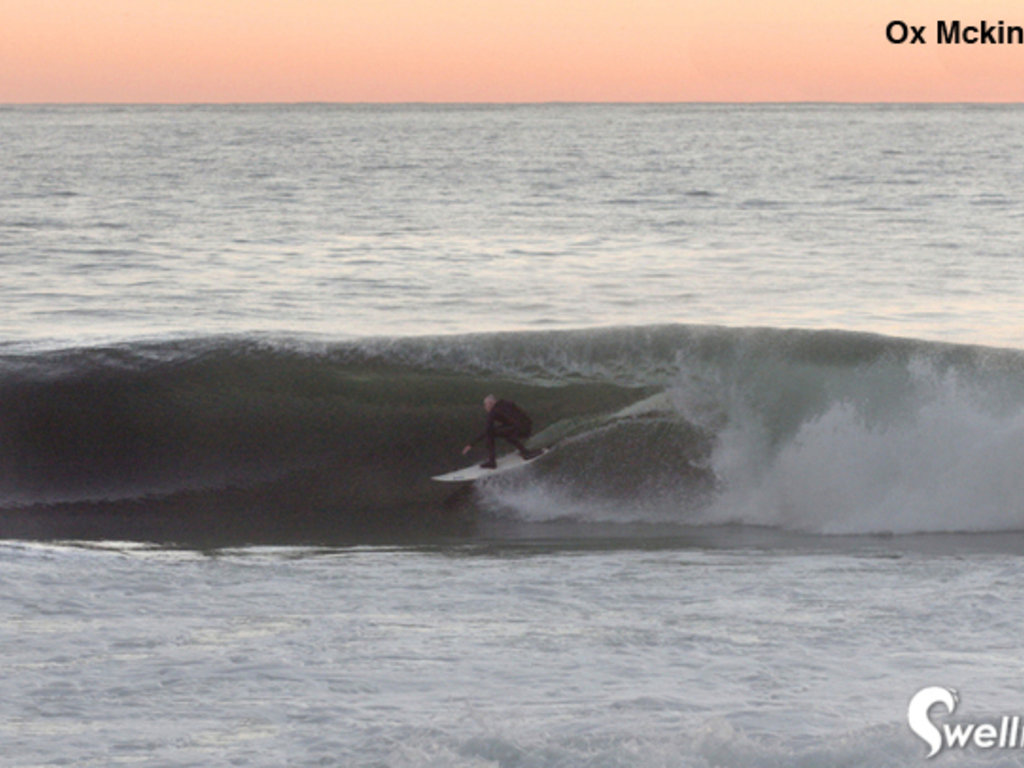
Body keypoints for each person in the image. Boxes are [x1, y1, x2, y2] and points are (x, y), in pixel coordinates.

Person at [462, 395, 541, 469]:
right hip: (527, 427)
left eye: (485, 405)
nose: (485, 407)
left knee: (490, 434)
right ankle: (525, 451)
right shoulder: (506, 403)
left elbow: (488, 430)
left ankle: (492, 462)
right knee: (506, 433)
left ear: (490, 404)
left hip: (519, 429)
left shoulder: (493, 412)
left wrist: (471, 444)